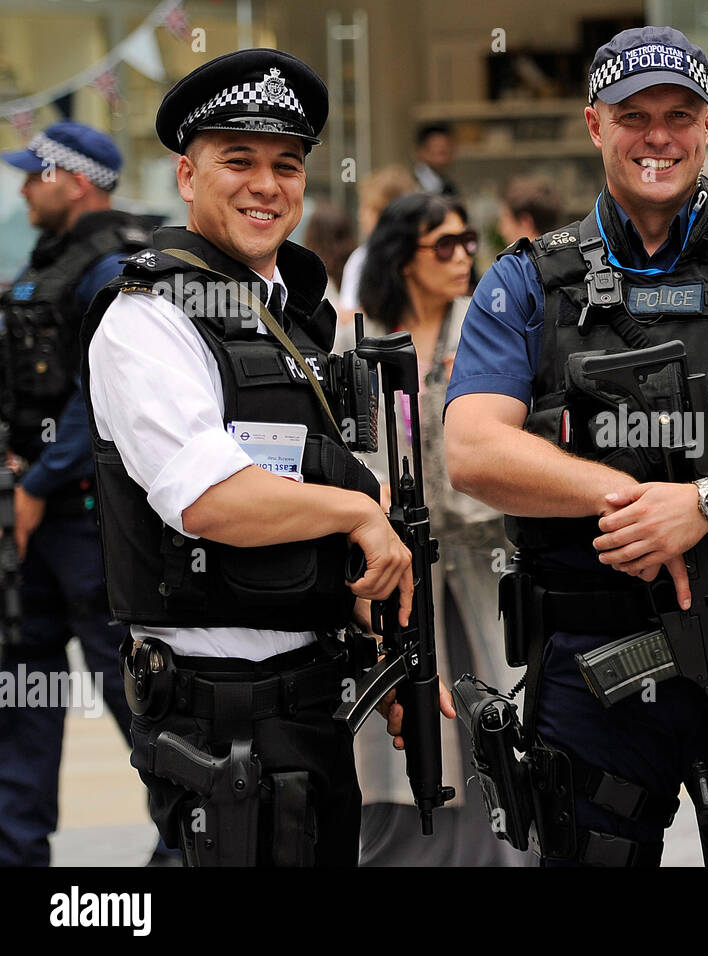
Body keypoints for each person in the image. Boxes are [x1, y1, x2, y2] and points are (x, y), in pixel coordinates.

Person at [439, 25, 708, 867]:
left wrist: (706, 506)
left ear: (707, 124)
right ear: (595, 125)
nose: (658, 137)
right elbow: (472, 451)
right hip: (591, 658)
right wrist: (633, 507)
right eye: (634, 116)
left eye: (679, 114)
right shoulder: (528, 280)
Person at [82, 49, 448, 867]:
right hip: (220, 717)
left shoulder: (295, 316)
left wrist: (379, 635)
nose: (265, 184)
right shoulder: (149, 318)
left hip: (310, 701)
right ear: (186, 174)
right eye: (236, 161)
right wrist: (361, 513)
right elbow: (211, 500)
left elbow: (308, 478)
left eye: (286, 165)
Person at [0, 121, 159, 866]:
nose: (26, 188)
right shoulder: (51, 258)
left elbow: (99, 393)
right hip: (34, 521)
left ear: (75, 180)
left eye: (36, 175)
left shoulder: (111, 263)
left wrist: (34, 485)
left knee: (139, 700)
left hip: (88, 527)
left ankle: (185, 849)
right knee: (22, 697)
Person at [351, 193, 524, 866]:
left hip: (483, 562)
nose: (461, 258)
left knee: (493, 708)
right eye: (443, 246)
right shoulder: (359, 337)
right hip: (398, 567)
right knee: (407, 729)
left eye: (467, 243)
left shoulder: (487, 327)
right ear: (403, 258)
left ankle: (505, 851)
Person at [334, 165, 418, 347]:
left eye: (366, 208)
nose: (359, 216)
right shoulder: (361, 258)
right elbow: (348, 316)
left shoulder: (417, 254)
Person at [497, 176, 562, 247]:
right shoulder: (569, 255)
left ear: (525, 223)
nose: (501, 230)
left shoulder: (517, 257)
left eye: (506, 219)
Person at [412, 123, 457, 197]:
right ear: (421, 152)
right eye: (439, 150)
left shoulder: (448, 186)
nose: (444, 157)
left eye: (447, 149)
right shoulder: (412, 186)